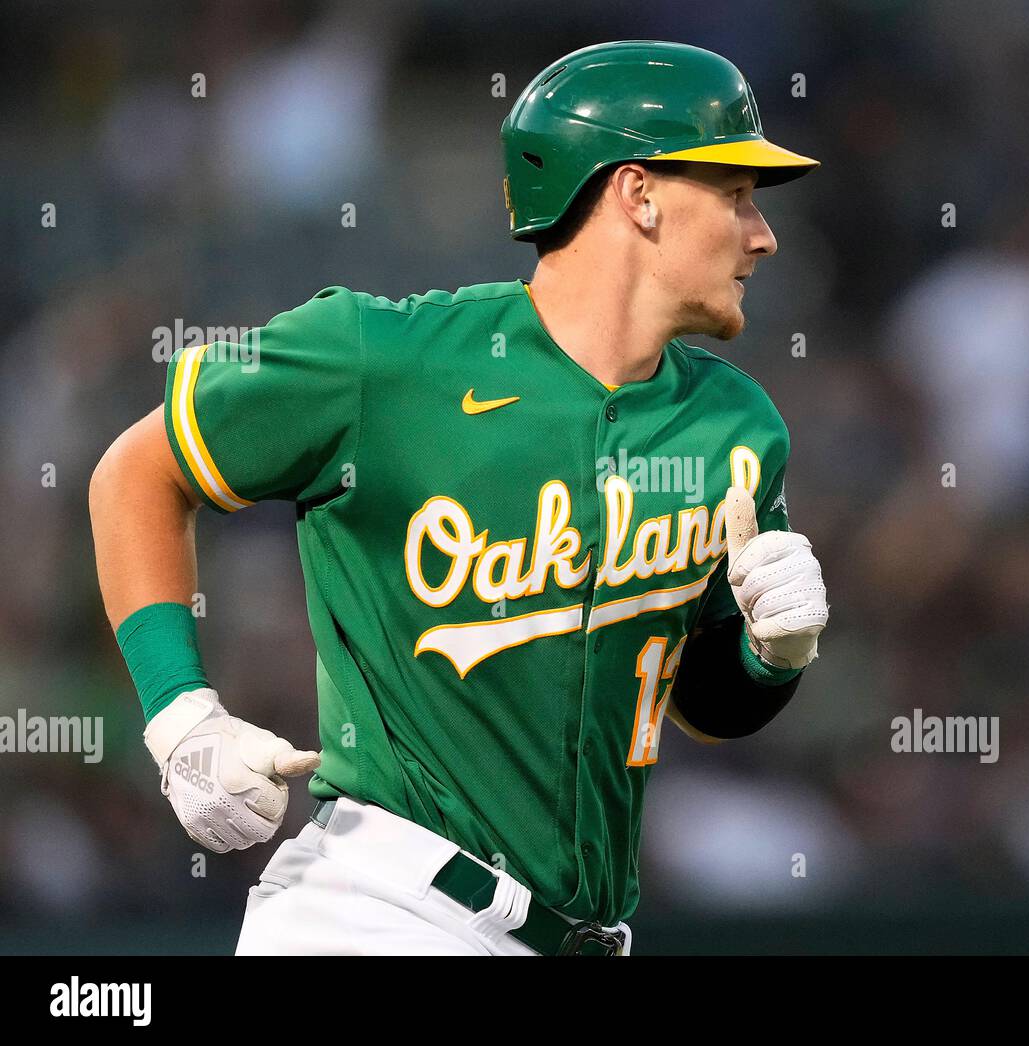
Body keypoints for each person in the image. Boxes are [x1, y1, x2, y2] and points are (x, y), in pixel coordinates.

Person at [89, 40, 829, 956]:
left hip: (578, 936)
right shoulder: (382, 358)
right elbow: (136, 471)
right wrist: (179, 716)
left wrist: (775, 653)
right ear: (638, 194)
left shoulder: (733, 423)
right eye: (735, 193)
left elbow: (710, 705)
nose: (763, 233)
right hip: (378, 912)